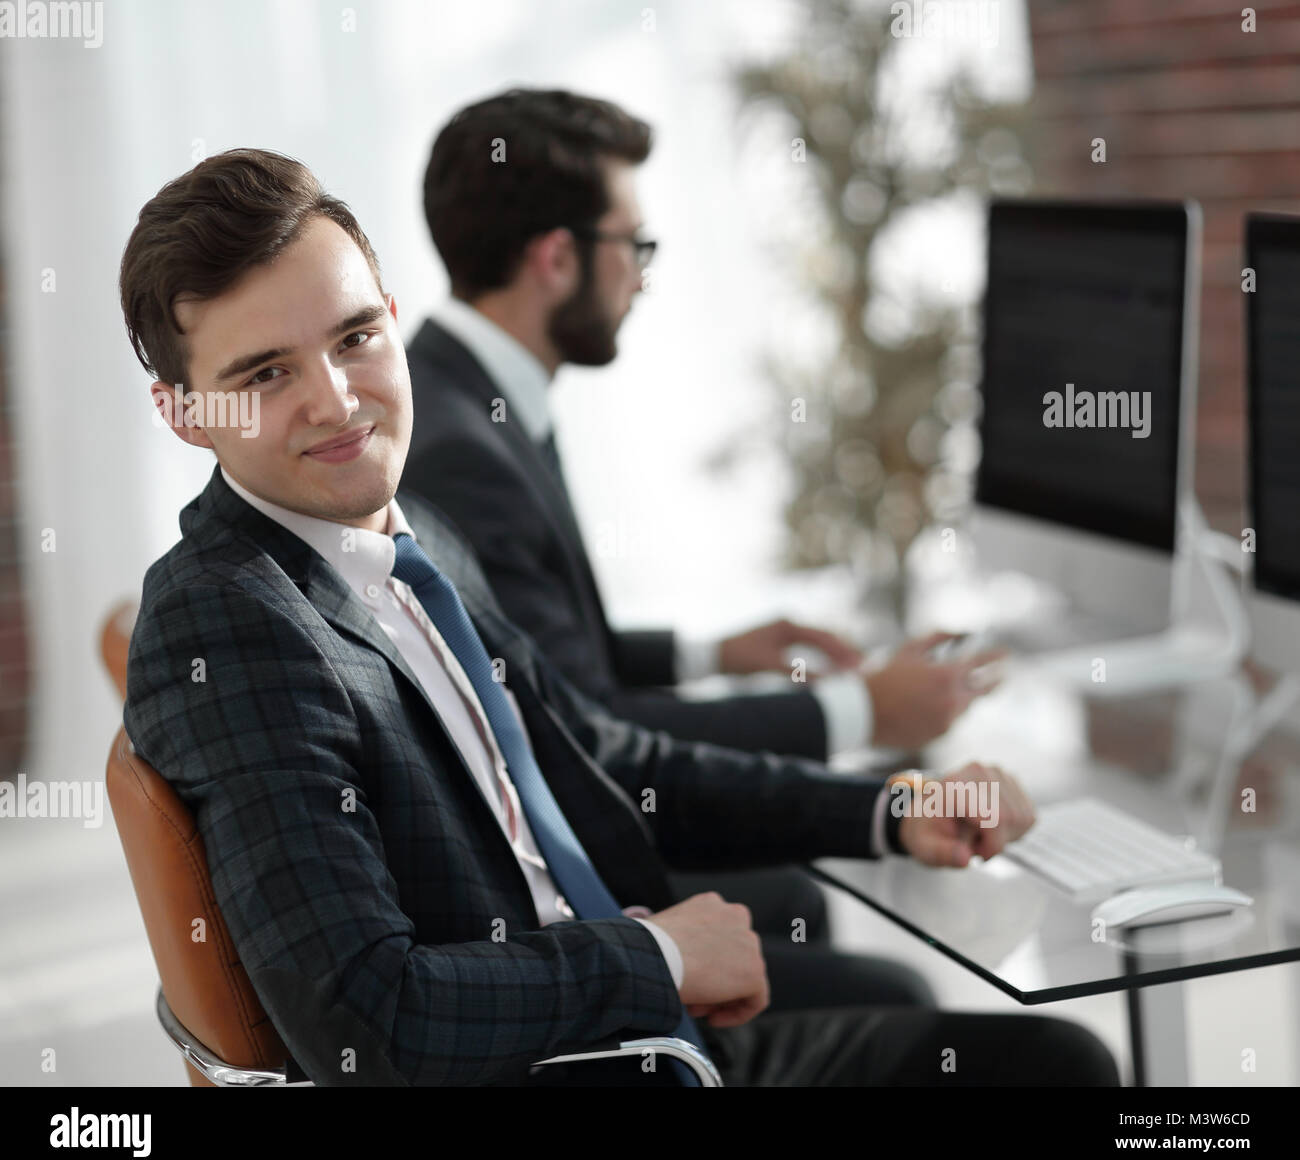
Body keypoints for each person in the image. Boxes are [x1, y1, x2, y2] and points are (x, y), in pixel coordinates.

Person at [118, 148, 1118, 1086]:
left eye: (353, 339)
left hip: (618, 1022)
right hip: (576, 1060)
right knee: (1060, 1066)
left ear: (389, 312)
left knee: (977, 1029)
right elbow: (364, 1018)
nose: (337, 403)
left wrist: (884, 810)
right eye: (264, 375)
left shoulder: (411, 531)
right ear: (181, 411)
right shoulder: (228, 620)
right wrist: (659, 954)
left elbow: (605, 759)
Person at [401, 87, 1000, 956]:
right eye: (634, 244)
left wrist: (708, 654)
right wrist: (862, 708)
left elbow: (539, 657)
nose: (642, 275)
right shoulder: (464, 452)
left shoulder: (469, 395)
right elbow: (585, 731)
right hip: (563, 908)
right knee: (837, 929)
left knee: (802, 899)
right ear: (557, 259)